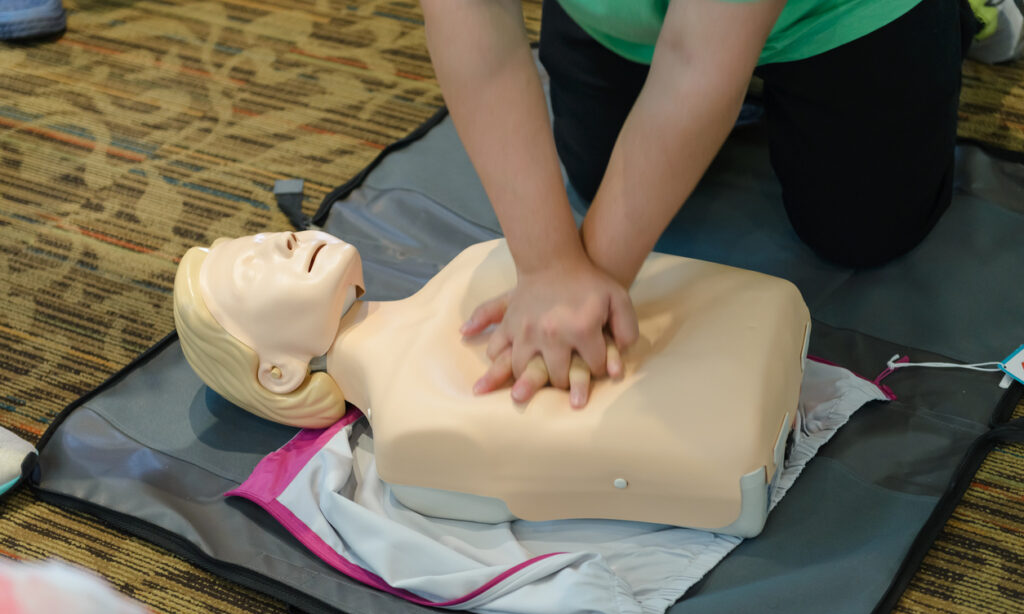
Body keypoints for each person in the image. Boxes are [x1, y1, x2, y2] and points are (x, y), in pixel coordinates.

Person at [420, 0, 979, 406]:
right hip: (632, 20)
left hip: (838, 15)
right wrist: (549, 268)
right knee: (597, 175)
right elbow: (473, 22)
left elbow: (697, 60)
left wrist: (586, 297)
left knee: (865, 231)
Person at [173, 230, 809, 529]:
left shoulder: (475, 262)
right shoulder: (413, 431)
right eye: (252, 271)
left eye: (264, 237)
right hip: (732, 444)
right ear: (278, 374)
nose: (277, 242)